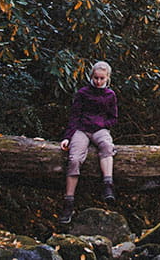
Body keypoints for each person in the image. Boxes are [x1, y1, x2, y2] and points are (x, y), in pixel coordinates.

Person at [60, 60, 118, 223]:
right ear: (91, 76)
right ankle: (69, 201)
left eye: (102, 79)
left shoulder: (110, 95)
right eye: (96, 78)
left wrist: (102, 125)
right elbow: (74, 116)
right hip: (82, 129)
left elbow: (113, 118)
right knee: (74, 159)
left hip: (100, 129)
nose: (98, 81)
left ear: (107, 78)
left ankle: (108, 185)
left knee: (107, 146)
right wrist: (67, 137)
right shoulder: (83, 93)